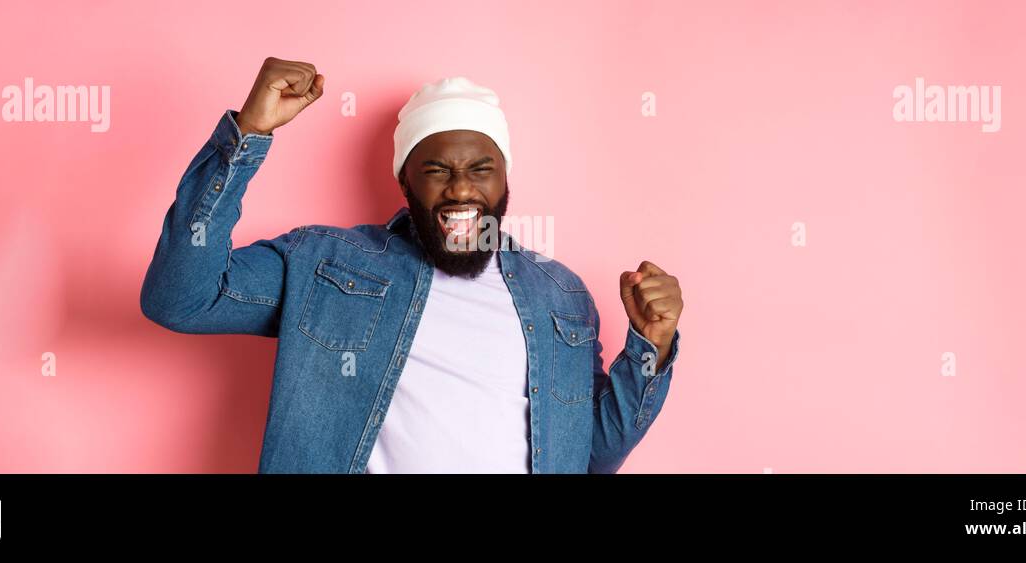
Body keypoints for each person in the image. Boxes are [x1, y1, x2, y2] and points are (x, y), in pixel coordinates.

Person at [140, 57, 684, 473]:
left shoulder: (559, 295)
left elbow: (586, 456)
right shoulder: (326, 264)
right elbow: (181, 298)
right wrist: (248, 136)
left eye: (481, 168)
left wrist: (651, 347)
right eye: (436, 170)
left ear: (504, 178)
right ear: (405, 181)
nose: (462, 189)